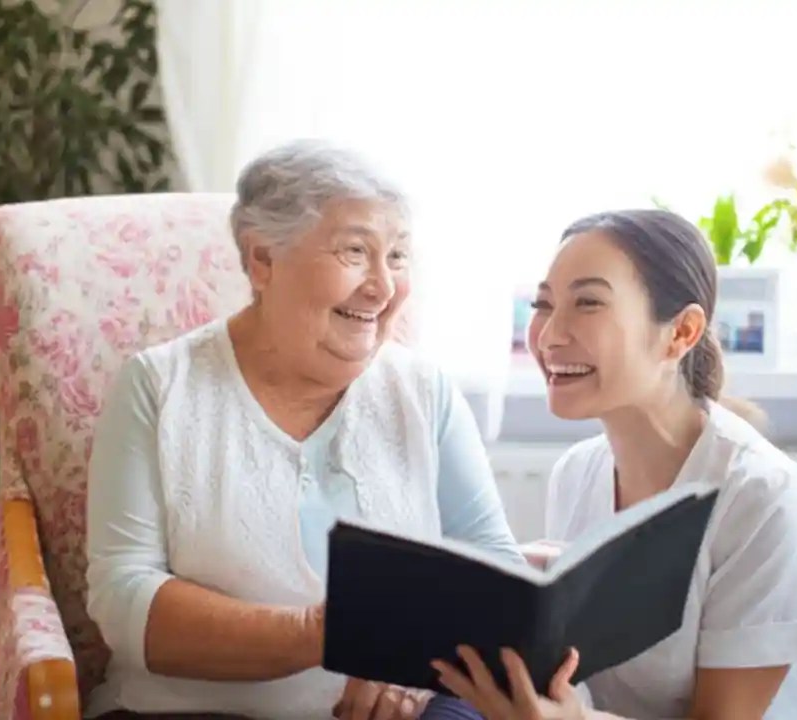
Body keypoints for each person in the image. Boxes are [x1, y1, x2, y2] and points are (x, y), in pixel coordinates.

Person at [85, 139, 524, 719]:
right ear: (262, 259)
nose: (384, 286)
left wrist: (413, 663)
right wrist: (327, 634)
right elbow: (124, 599)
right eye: (355, 251)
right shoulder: (159, 388)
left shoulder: (424, 392)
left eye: (397, 255)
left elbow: (496, 570)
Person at [432, 209, 797, 719]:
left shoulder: (766, 501)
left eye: (588, 303)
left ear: (681, 332)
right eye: (543, 304)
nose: (548, 335)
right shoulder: (577, 475)